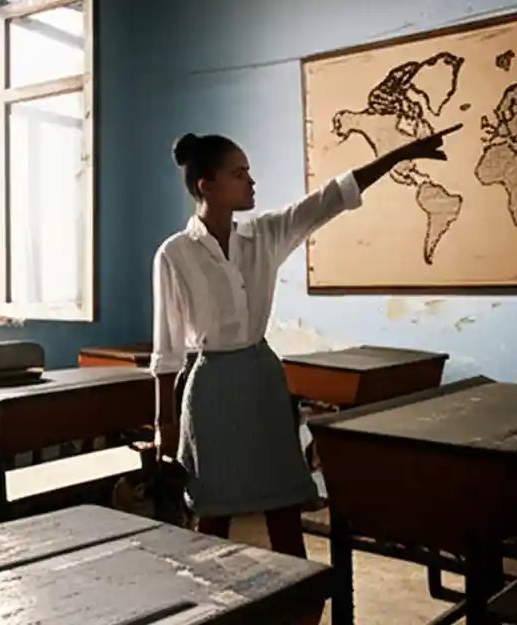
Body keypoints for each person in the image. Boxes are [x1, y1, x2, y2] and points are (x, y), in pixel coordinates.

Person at [149, 127, 455, 557]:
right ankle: (208, 608)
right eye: (240, 174)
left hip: (262, 379)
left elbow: (331, 198)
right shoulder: (173, 254)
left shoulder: (266, 234)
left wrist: (399, 155)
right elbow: (166, 353)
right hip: (211, 389)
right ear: (207, 186)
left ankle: (303, 608)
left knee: (283, 504)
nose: (251, 182)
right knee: (214, 510)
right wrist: (164, 428)